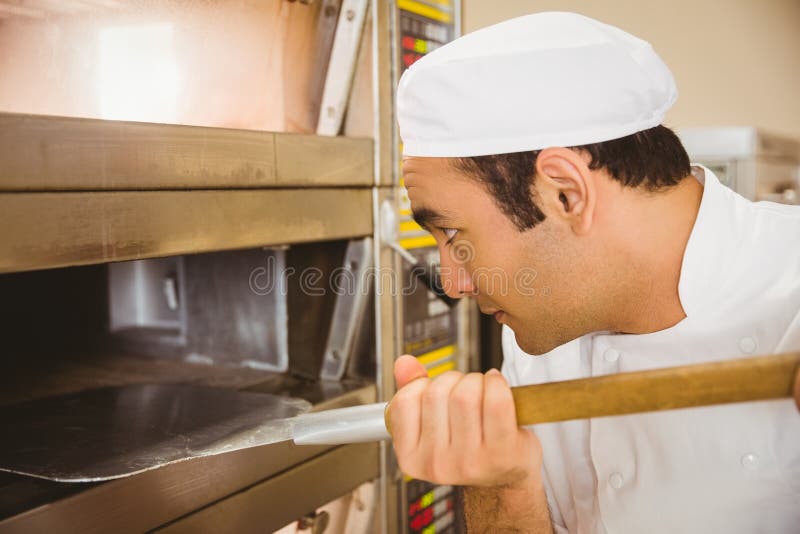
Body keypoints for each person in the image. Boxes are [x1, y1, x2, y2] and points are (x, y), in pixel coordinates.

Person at [389, 12, 800, 533]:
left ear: (566, 193)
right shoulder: (541, 325)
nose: (453, 283)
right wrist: (503, 486)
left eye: (453, 236)